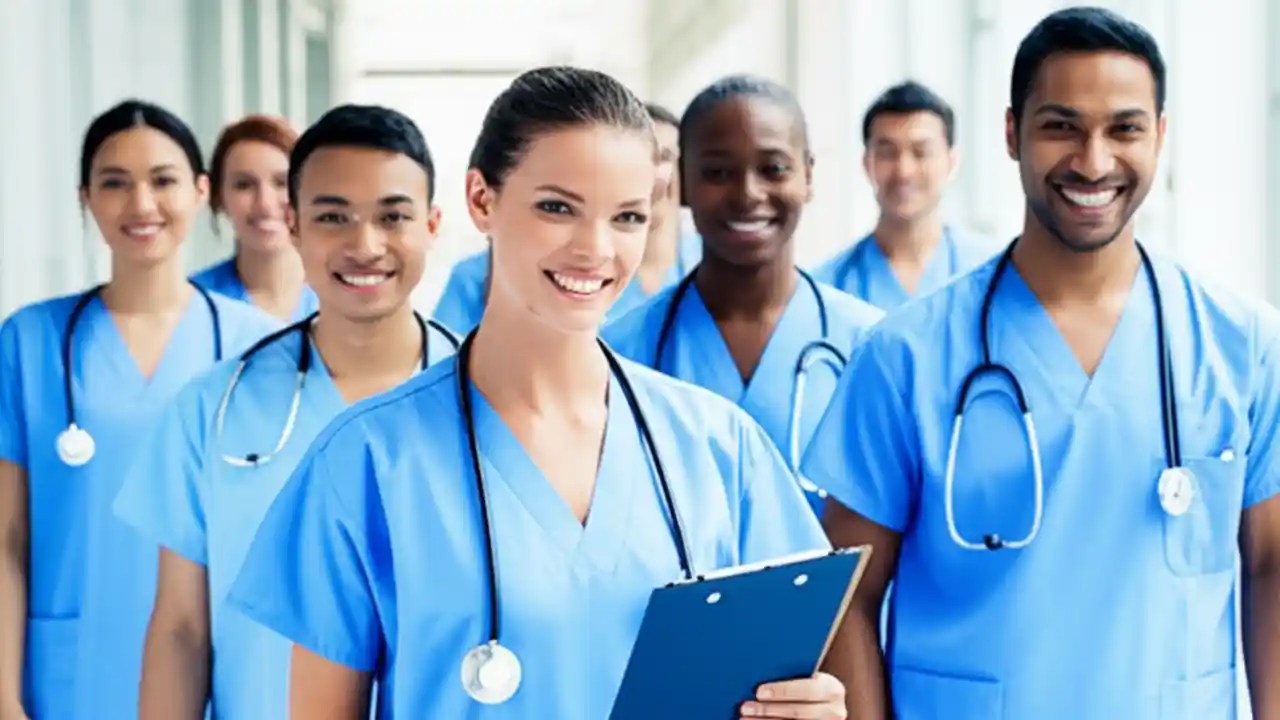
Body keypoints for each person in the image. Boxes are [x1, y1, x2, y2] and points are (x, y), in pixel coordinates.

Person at [227, 66, 848, 719]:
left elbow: (791, 677)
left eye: (627, 217)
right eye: (558, 207)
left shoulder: (721, 448)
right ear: (481, 200)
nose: (595, 249)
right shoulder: (368, 460)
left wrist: (813, 709)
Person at [807, 8, 1280, 719]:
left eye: (1124, 129)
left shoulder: (1243, 346)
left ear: (1161, 135)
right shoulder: (906, 356)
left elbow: (1271, 566)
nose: (1094, 161)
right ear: (1011, 133)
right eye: (1062, 126)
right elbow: (846, 595)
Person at [112, 104, 459, 720]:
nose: (365, 245)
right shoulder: (213, 407)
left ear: (432, 225)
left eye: (392, 216)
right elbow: (181, 630)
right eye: (333, 217)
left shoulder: (484, 402)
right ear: (294, 226)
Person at [0, 100, 278, 720]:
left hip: (212, 679)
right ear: (86, 199)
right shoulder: (30, 341)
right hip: (68, 676)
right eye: (115, 183)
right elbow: (6, 540)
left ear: (200, 192)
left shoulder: (258, 348)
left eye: (163, 180)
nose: (141, 203)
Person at [605, 75, 883, 518]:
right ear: (681, 182)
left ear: (808, 175)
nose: (748, 194)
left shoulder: (872, 346)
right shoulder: (619, 353)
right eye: (717, 173)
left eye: (774, 169)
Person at [432, 102, 699, 332]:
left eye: (663, 157)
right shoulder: (480, 275)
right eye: (556, 207)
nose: (645, 171)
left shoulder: (705, 265)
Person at [811, 81, 995, 310]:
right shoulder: (825, 290)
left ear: (951, 162)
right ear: (867, 163)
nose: (904, 171)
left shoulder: (993, 276)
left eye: (921, 152)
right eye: (887, 153)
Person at [192, 115, 320, 322]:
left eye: (282, 183)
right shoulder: (193, 304)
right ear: (218, 196)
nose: (265, 204)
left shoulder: (344, 297)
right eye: (244, 185)